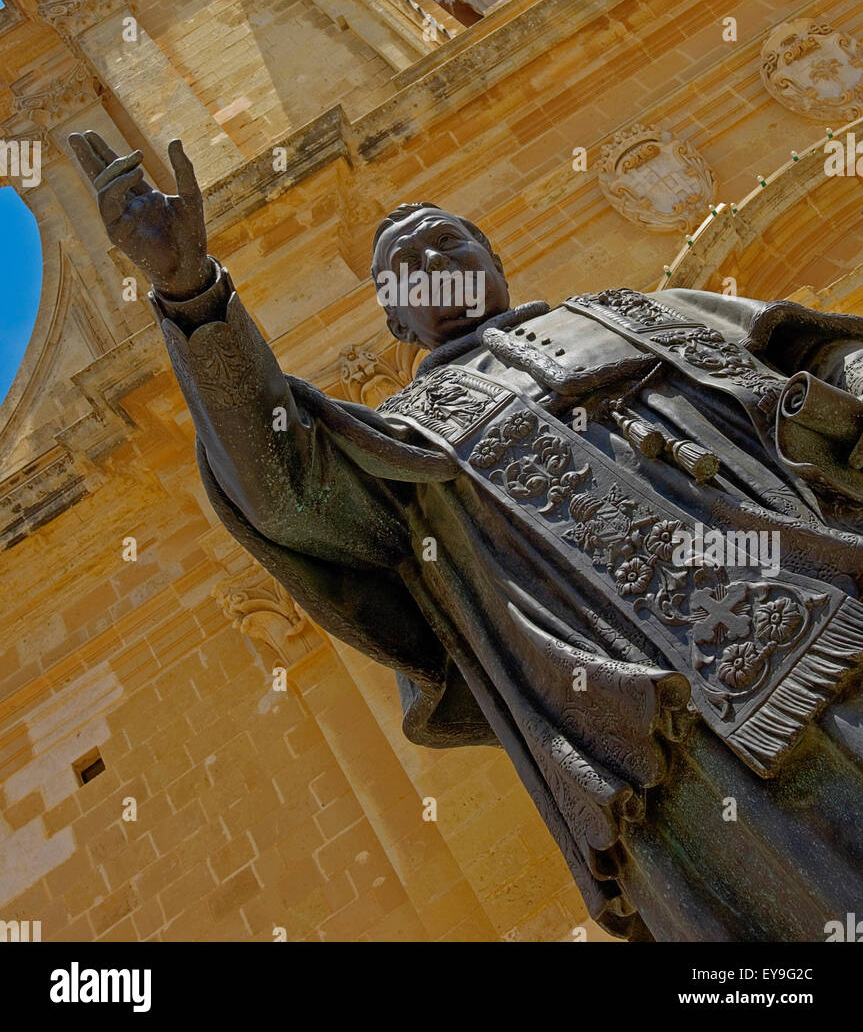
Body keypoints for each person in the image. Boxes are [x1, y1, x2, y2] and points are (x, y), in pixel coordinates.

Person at [70, 128, 863, 941]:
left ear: (491, 258)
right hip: (668, 726)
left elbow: (809, 355)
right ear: (394, 316)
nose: (436, 263)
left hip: (834, 590)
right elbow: (284, 491)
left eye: (449, 241)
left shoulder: (634, 312)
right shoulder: (400, 444)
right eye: (408, 266)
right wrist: (192, 292)